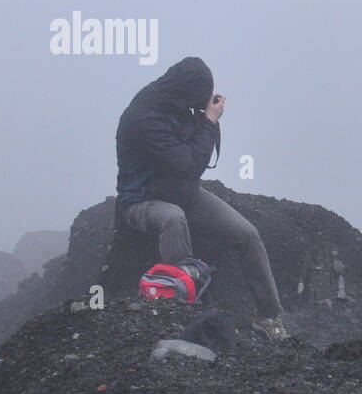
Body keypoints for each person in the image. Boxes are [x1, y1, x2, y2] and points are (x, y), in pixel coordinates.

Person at [114, 57, 290, 341]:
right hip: (141, 201)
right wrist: (209, 120)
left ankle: (269, 317)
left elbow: (188, 159)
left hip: (186, 194)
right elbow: (190, 166)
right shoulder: (145, 118)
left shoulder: (174, 101)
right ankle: (182, 308)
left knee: (247, 233)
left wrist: (202, 115)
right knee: (173, 218)